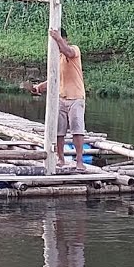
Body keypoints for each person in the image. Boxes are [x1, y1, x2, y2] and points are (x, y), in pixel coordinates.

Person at [31, 28, 85, 170]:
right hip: (61, 98)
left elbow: (68, 51)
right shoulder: (58, 58)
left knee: (77, 129)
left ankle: (80, 161)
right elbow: (54, 78)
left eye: (59, 41)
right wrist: (39, 87)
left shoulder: (74, 50)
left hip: (76, 97)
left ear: (65, 39)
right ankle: (61, 159)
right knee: (59, 131)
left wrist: (58, 38)